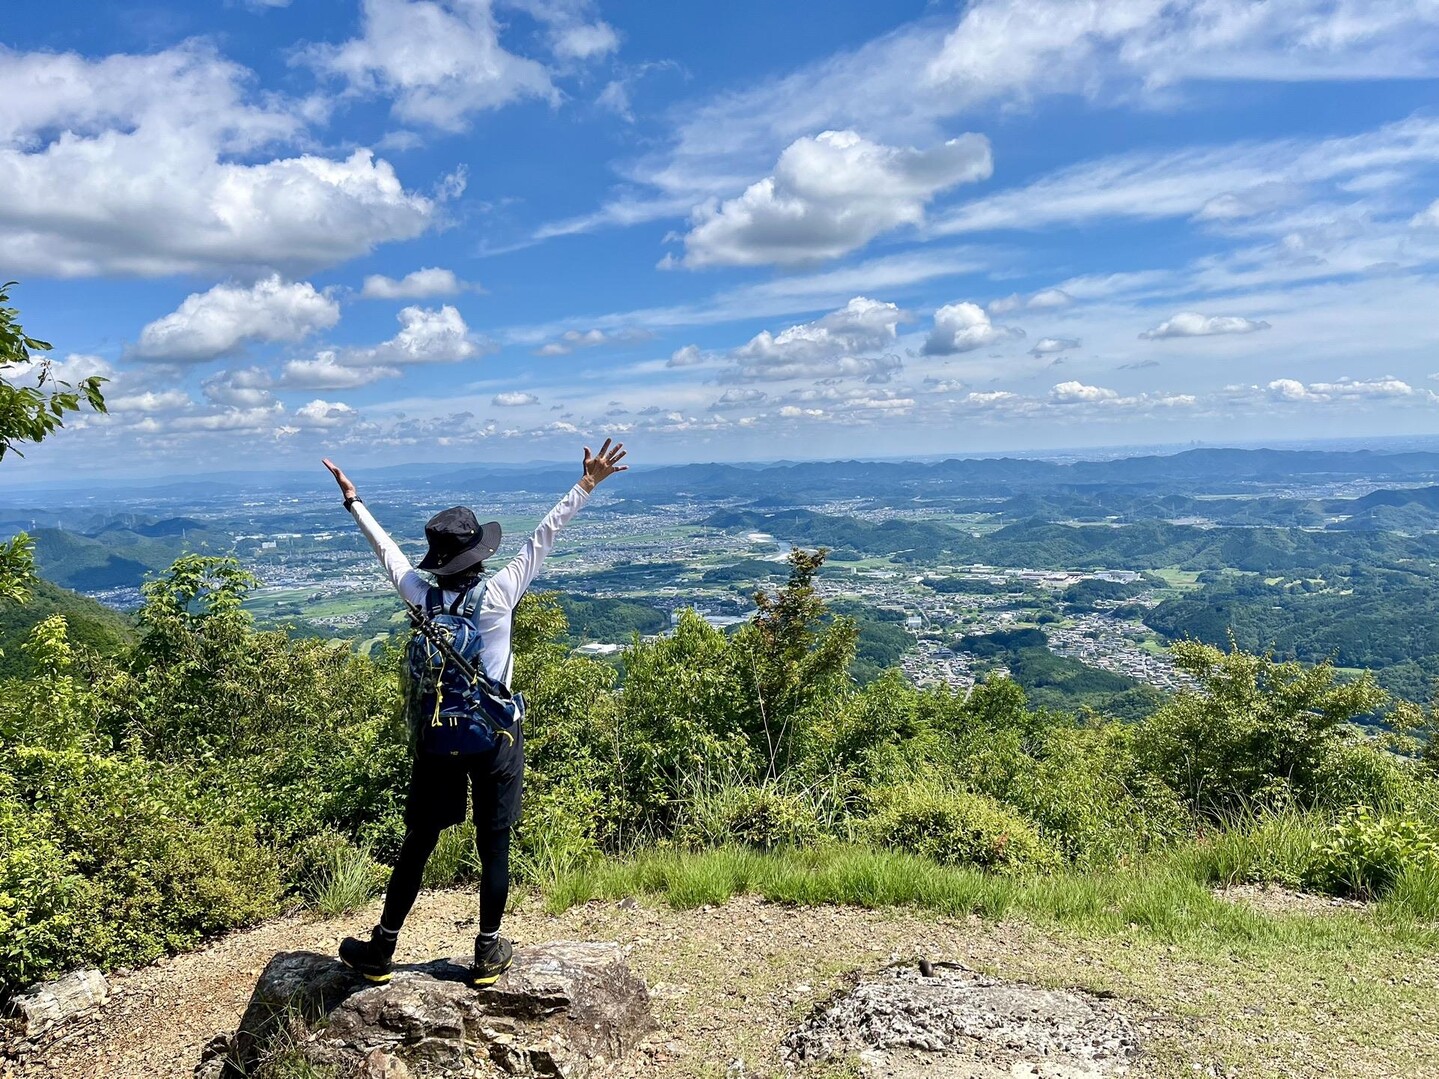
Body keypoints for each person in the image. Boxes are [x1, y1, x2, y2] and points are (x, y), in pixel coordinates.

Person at [321, 440, 628, 985]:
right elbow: (543, 537)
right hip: (496, 740)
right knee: (494, 843)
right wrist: (587, 483)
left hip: (437, 738)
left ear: (438, 561)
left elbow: (386, 552)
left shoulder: (421, 597)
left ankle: (382, 949)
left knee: (419, 841)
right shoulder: (499, 594)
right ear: (478, 556)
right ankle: (487, 952)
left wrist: (354, 501)